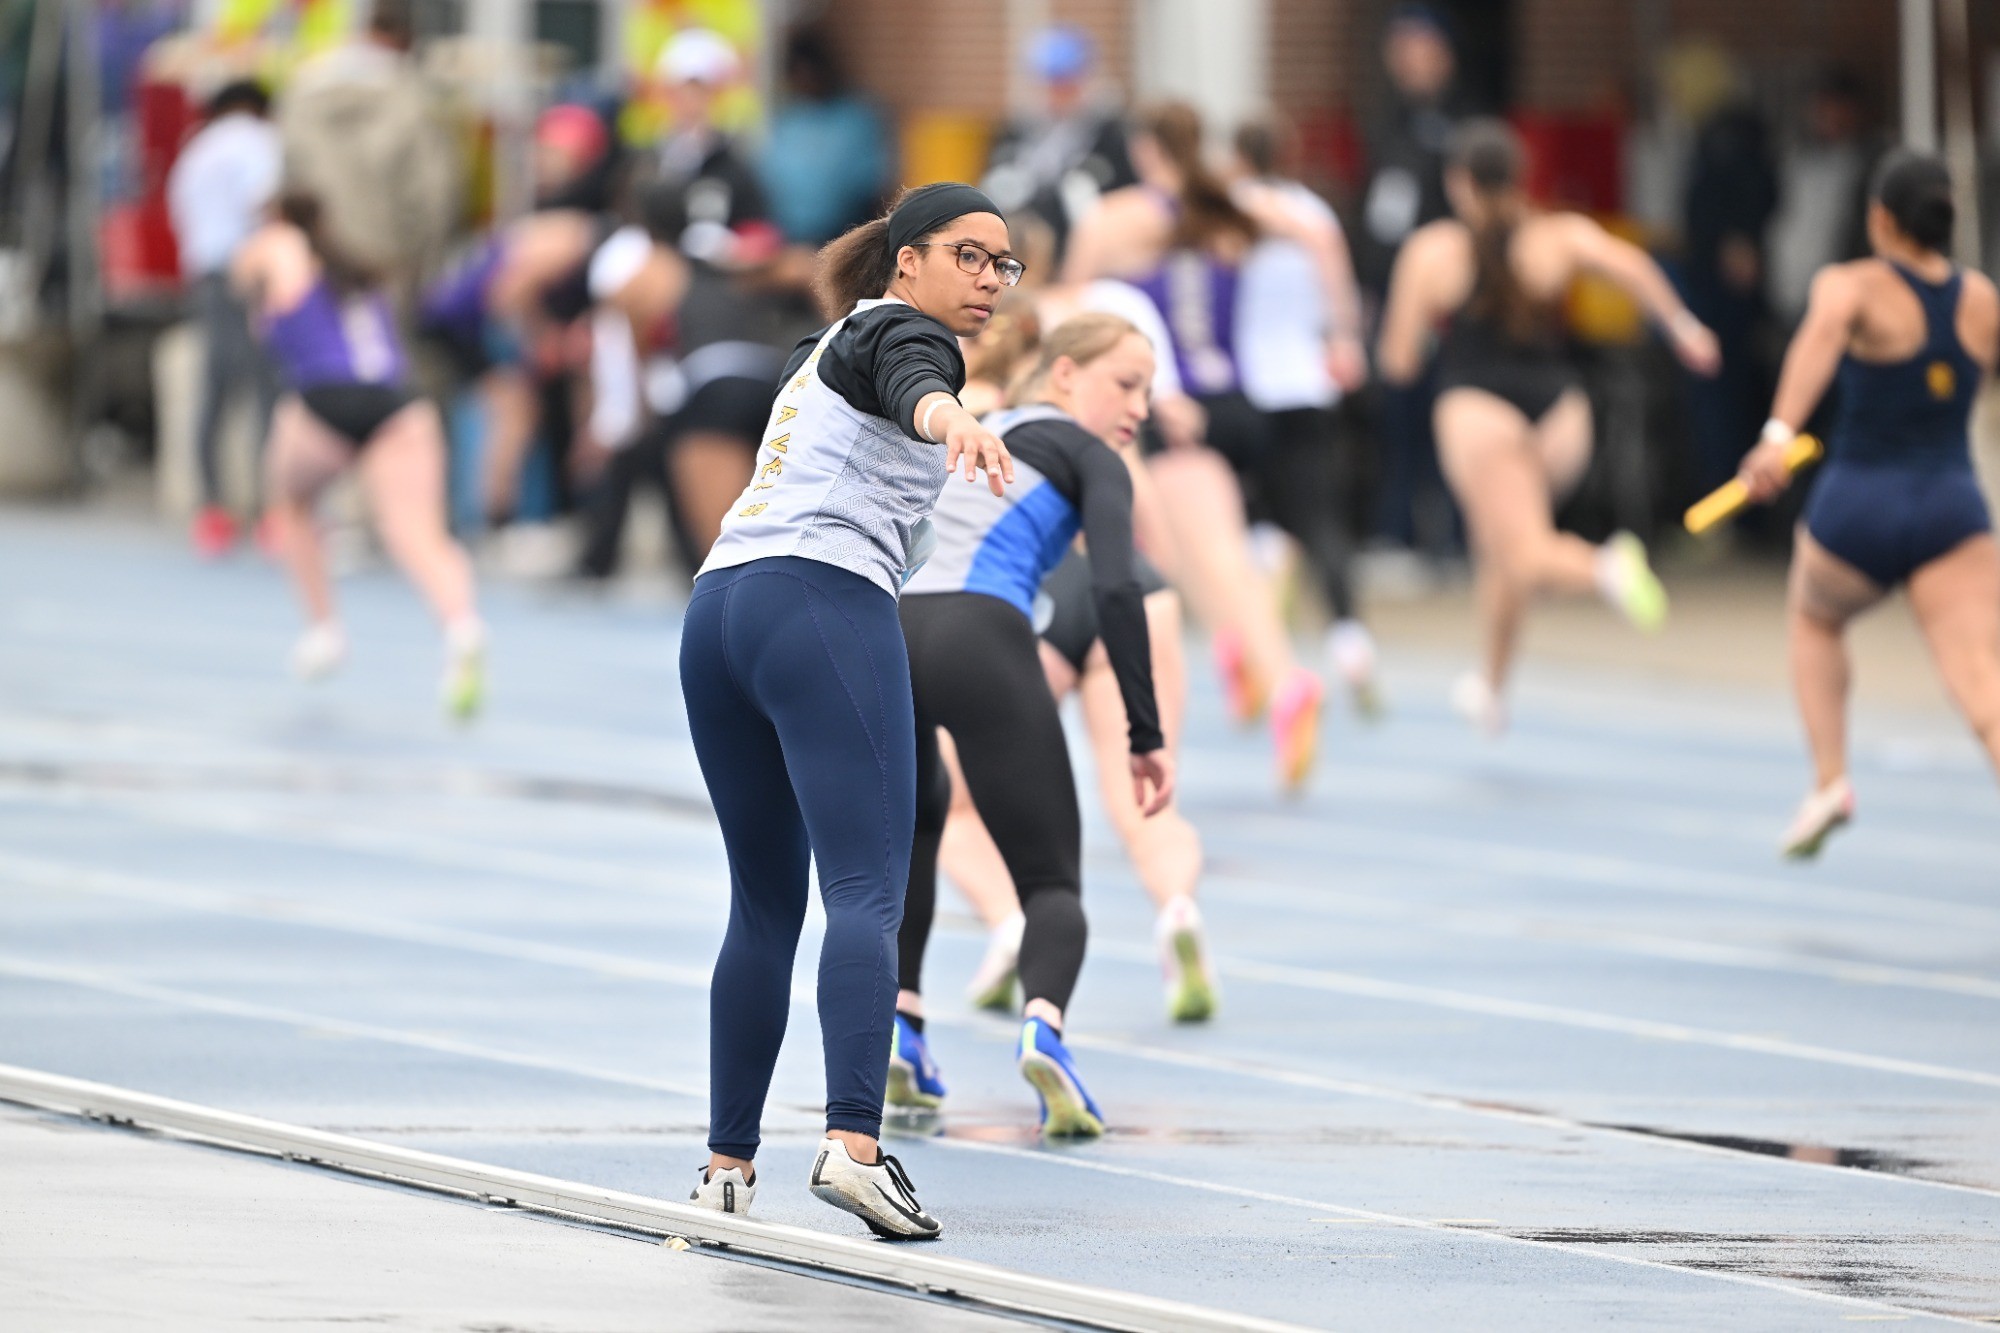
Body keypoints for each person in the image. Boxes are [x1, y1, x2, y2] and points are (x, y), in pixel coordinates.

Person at [677, 183, 1017, 1238]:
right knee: (865, 889)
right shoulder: (903, 335)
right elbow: (909, 378)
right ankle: (854, 1146)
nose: (989, 281)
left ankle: (726, 1166)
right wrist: (948, 412)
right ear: (906, 260)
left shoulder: (813, 350)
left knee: (763, 905)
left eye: (1004, 266)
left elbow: (873, 386)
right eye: (969, 254)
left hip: (718, 611)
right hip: (817, 603)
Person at [891, 314, 1171, 1138]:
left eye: (1150, 390)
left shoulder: (969, 427)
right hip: (984, 634)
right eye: (1126, 383)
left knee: (918, 824)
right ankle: (1044, 1027)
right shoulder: (1090, 455)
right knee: (1050, 883)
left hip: (893, 629)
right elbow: (1119, 591)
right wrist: (1143, 733)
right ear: (1063, 378)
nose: (1141, 407)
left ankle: (902, 1024)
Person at [1377, 120, 1719, 735]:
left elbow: (1398, 360)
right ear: (1519, 178)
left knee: (1526, 554)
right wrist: (1684, 328)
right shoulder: (1558, 237)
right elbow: (1632, 264)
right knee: (1502, 551)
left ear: (1459, 184)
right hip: (1562, 415)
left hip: (1481, 413)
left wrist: (1423, 334)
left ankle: (1606, 568)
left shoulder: (1434, 252)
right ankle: (1492, 684)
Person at [1735, 152, 2000, 858]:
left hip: (1860, 503)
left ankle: (1830, 779)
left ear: (1880, 218)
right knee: (1983, 685)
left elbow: (1817, 342)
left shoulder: (1850, 286)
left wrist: (1776, 438)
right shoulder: (1982, 300)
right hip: (1952, 507)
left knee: (1815, 618)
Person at [1065, 101, 1332, 790]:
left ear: (1146, 148)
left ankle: (1279, 677)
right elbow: (1319, 237)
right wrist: (1339, 330)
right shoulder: (1231, 207)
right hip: (1235, 402)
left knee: (1196, 557)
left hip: (1167, 403)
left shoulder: (1116, 217)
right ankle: (1246, 643)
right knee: (1195, 555)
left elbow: (1071, 301)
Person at [233, 193, 485, 718]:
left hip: (326, 400)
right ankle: (462, 627)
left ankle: (324, 631)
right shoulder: (353, 273)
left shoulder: (281, 245)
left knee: (290, 503)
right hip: (399, 405)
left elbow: (246, 270)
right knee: (418, 534)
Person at [1229, 113, 1380, 712]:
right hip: (1306, 383)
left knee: (1254, 519)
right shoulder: (1315, 212)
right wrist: (1343, 339)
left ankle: (1264, 646)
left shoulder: (1233, 208)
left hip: (1250, 385)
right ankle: (1350, 639)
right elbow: (1337, 283)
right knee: (1319, 518)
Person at [276, 0, 461, 306]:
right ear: (407, 38)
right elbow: (436, 194)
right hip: (390, 264)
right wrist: (418, 259)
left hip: (320, 264)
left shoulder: (302, 90)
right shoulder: (415, 97)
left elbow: (288, 185)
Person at [168, 78, 282, 558]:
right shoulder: (258, 142)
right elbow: (264, 206)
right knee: (268, 389)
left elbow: (181, 216)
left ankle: (211, 509)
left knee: (216, 389)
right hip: (251, 274)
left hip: (208, 276)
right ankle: (274, 512)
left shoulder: (196, 151)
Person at [981, 24, 1137, 267]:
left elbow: (1127, 192)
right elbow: (990, 181)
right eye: (1047, 86)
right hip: (1024, 255)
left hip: (1087, 255)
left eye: (1065, 86)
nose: (1055, 96)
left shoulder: (1110, 135)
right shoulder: (1015, 131)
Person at [758, 29, 890, 246]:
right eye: (799, 74)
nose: (805, 80)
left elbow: (869, 183)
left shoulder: (855, 118)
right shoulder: (788, 119)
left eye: (810, 72)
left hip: (842, 233)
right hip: (785, 237)